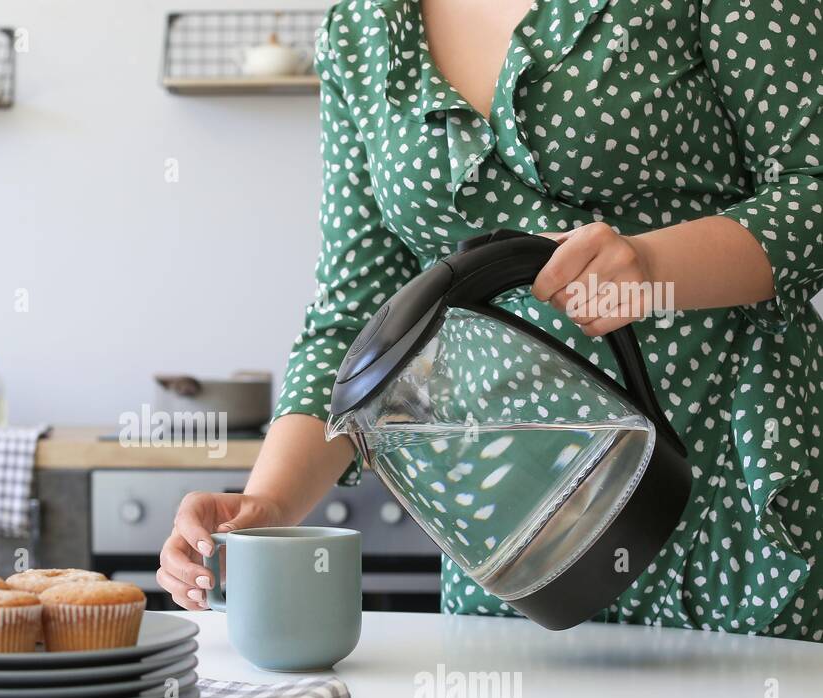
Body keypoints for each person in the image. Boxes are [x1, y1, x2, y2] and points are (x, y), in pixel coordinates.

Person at [159, 0, 823, 640]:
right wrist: (269, 506)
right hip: (510, 532)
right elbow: (356, 315)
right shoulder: (363, 26)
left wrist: (653, 265)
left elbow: (812, 182)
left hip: (735, 499)